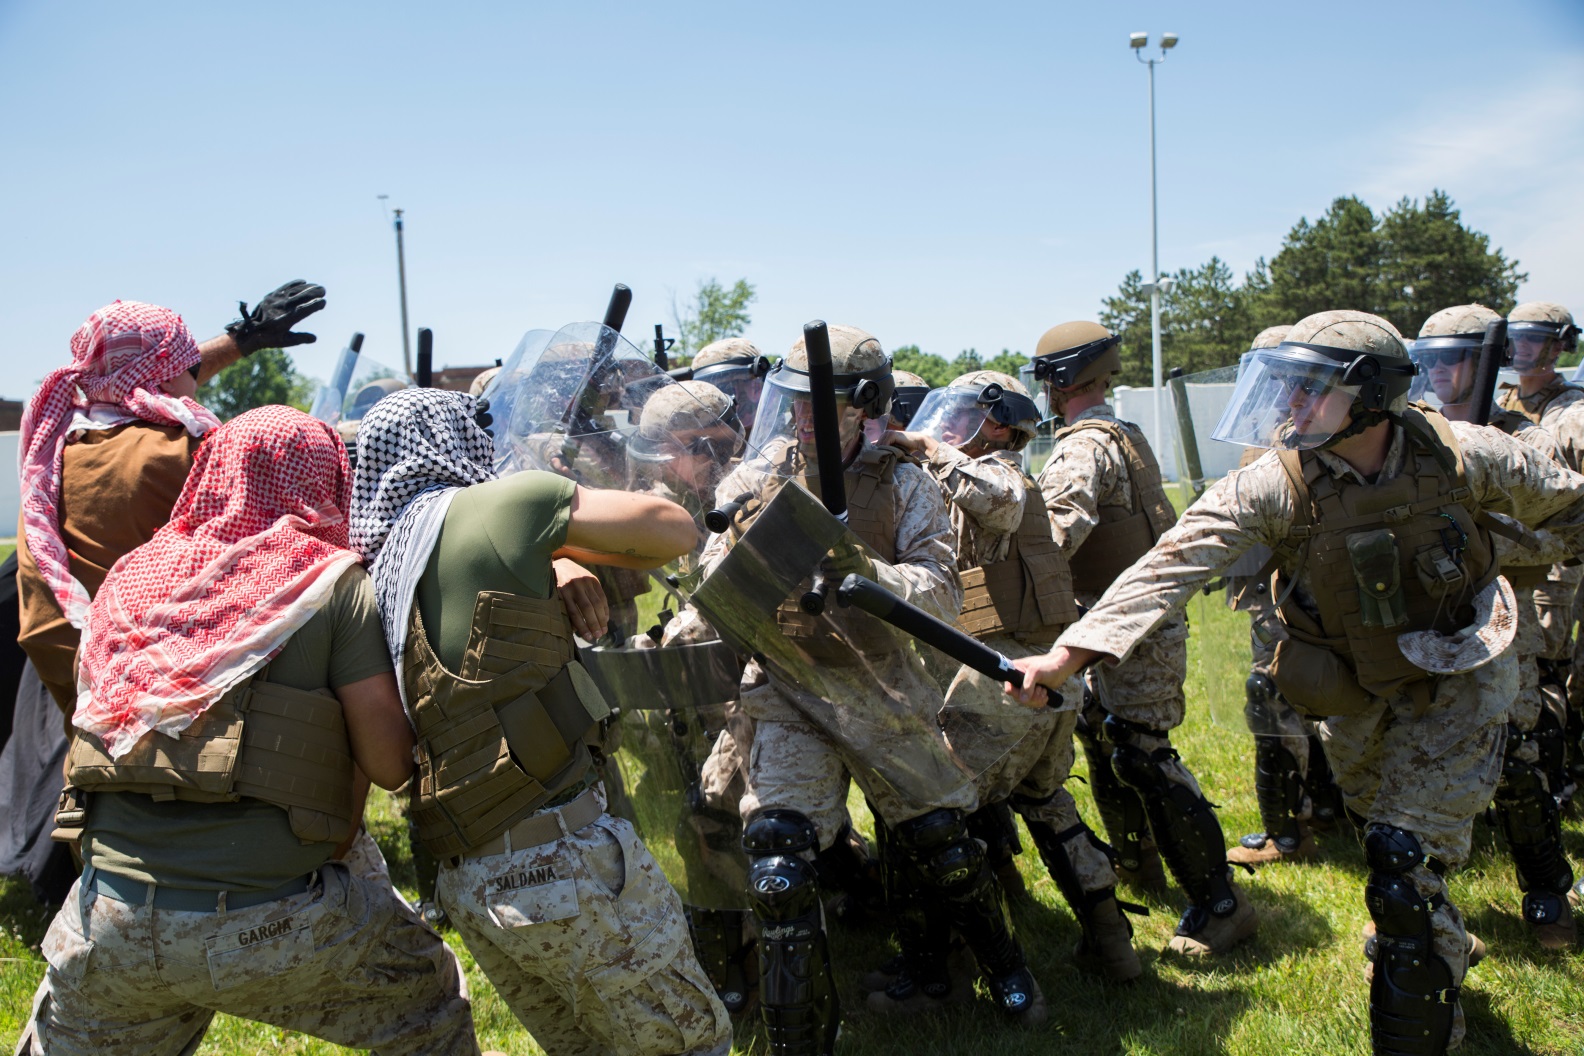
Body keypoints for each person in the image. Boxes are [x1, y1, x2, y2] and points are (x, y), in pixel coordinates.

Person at [1013, 309, 1584, 1055]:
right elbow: (1169, 565)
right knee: (1389, 836)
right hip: (1352, 687)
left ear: (1371, 394)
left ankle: (1421, 998)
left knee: (1399, 854)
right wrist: (1068, 657)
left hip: (1465, 672)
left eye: (1308, 391)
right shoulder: (1274, 484)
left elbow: (1569, 503)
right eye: (1284, 389)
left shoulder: (1466, 455)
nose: (1288, 409)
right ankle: (1432, 921)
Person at [14, 406, 479, 1056]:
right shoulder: (328, 584)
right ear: (326, 477)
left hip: (106, 921)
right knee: (429, 1000)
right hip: (274, 927)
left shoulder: (128, 579)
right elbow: (391, 765)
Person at [351, 387, 731, 1056]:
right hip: (565, 862)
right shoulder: (503, 505)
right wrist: (555, 532)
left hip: (468, 878)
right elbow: (672, 527)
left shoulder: (375, 570)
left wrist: (551, 557)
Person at [700, 325, 1044, 1051]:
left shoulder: (905, 481)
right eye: (790, 404)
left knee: (943, 846)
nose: (797, 420)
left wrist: (865, 574)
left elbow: (944, 593)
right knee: (779, 858)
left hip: (883, 684)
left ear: (865, 406)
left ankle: (1007, 968)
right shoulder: (763, 476)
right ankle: (801, 1039)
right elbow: (709, 563)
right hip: (789, 684)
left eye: (813, 406)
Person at [868, 369, 1141, 1009]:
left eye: (962, 416)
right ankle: (1112, 943)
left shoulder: (1006, 472)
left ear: (997, 425)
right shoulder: (965, 486)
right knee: (1050, 807)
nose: (946, 426)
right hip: (1036, 682)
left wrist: (928, 450)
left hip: (1013, 685)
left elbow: (1006, 499)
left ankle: (939, 971)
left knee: (928, 811)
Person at [1030, 320, 1258, 956]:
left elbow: (1053, 538)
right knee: (1109, 741)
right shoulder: (1122, 431)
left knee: (1139, 752)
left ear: (1057, 380)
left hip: (1120, 622)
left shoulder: (1080, 449)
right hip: (1123, 619)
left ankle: (1221, 902)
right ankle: (1139, 863)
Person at [1410, 303, 1579, 947]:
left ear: (1482, 360)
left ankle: (1545, 893)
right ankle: (1419, 904)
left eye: (1451, 357)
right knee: (1418, 765)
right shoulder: (1413, 433)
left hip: (1505, 625)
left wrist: (1482, 539)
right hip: (1422, 628)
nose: (1437, 371)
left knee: (1520, 762)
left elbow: (1559, 534)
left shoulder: (1520, 438)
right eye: (1428, 358)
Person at [1226, 325, 1346, 866]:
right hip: (1274, 593)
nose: (1280, 390)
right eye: (1271, 378)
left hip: (1319, 593)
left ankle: (1299, 827)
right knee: (1274, 695)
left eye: (1290, 379)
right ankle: (1299, 820)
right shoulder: (1267, 438)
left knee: (1294, 696)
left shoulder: (1322, 435)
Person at [1495, 302, 1584, 808]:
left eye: (1535, 339)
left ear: (1558, 346)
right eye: (1515, 338)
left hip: (1554, 558)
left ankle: (1557, 780)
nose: (1521, 348)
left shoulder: (1569, 408)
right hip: (1508, 549)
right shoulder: (1500, 397)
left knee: (1548, 664)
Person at [689, 338, 774, 436]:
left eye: (743, 383)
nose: (728, 400)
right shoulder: (700, 445)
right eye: (720, 388)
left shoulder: (778, 444)